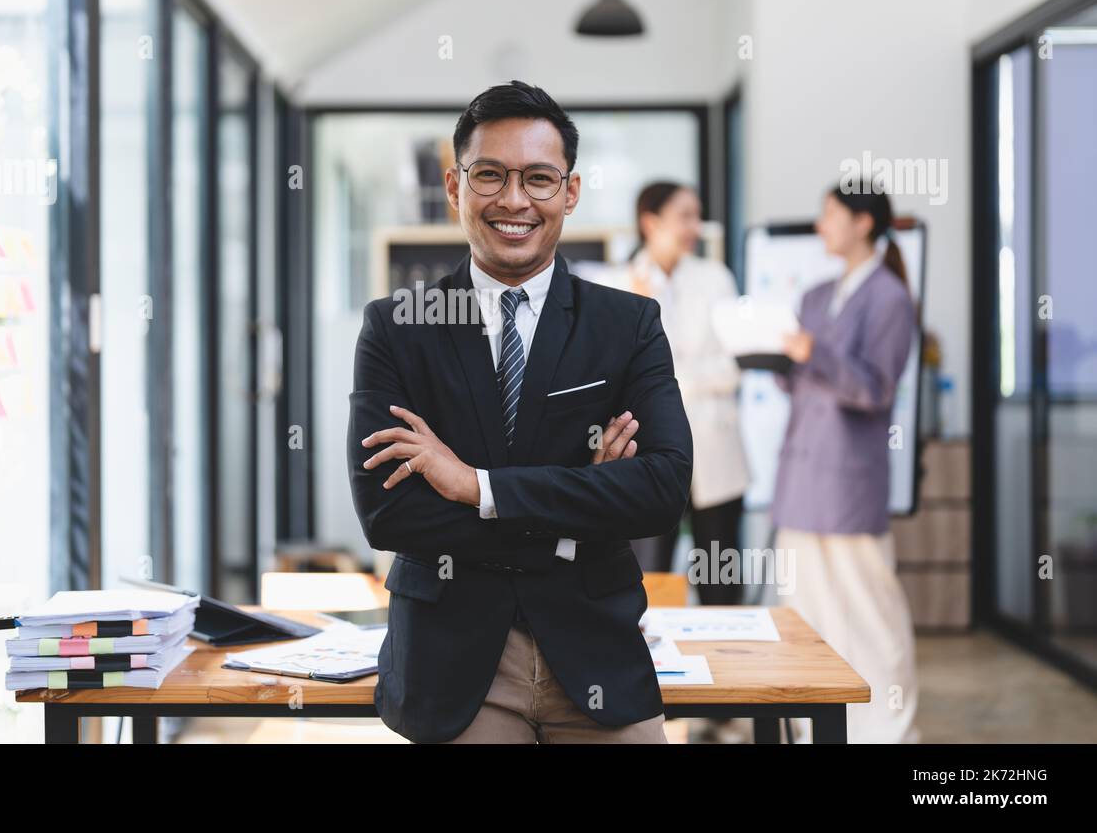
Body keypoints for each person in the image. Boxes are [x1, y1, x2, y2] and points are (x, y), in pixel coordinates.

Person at [347, 81, 693, 743]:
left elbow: (661, 490)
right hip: (454, 668)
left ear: (570, 192)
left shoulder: (628, 325)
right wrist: (582, 506)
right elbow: (387, 510)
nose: (513, 200)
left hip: (597, 656)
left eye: (538, 179)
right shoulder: (397, 327)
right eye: (490, 176)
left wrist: (475, 486)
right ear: (455, 187)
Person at [771, 180, 920, 744]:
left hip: (849, 485)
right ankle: (817, 730)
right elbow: (802, 385)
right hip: (801, 476)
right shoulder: (813, 295)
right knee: (807, 617)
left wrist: (816, 355)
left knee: (871, 616)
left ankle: (887, 730)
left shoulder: (890, 298)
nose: (820, 226)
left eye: (830, 215)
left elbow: (875, 390)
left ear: (862, 222)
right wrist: (778, 359)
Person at [626, 182, 751, 605]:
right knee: (649, 576)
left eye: (697, 216)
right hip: (651, 450)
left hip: (714, 447)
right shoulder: (622, 283)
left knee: (720, 575)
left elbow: (735, 366)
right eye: (684, 216)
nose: (694, 227)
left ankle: (728, 663)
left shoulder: (715, 278)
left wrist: (672, 377)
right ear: (650, 221)